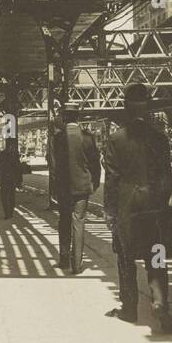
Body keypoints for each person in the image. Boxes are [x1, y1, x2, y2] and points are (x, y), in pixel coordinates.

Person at [102, 84, 172, 333]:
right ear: (148, 108)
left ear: (125, 107)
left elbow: (111, 179)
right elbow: (168, 178)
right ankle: (160, 306)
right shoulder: (160, 139)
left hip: (127, 208)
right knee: (156, 258)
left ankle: (130, 309)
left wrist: (109, 211)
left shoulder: (115, 139)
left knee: (126, 259)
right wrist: (165, 204)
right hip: (155, 209)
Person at [51, 104, 101, 275]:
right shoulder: (88, 138)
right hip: (82, 188)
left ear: (64, 118)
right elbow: (95, 163)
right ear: (78, 118)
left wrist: (57, 184)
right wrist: (94, 183)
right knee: (78, 223)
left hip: (64, 188)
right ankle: (77, 265)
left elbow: (54, 165)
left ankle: (64, 260)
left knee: (64, 221)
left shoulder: (58, 138)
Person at [0, 138, 22, 220]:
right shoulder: (14, 155)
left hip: (4, 179)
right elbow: (18, 169)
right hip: (11, 179)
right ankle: (10, 213)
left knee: (4, 197)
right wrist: (19, 181)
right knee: (11, 196)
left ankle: (7, 213)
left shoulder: (2, 154)